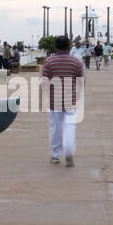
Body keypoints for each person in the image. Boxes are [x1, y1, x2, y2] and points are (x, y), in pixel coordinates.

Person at [41, 34, 84, 166]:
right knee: (69, 127)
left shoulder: (49, 62)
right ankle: (69, 151)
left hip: (55, 102)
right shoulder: (76, 62)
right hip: (70, 101)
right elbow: (80, 82)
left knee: (55, 128)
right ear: (69, 46)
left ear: (56, 46)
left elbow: (44, 82)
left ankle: (55, 155)